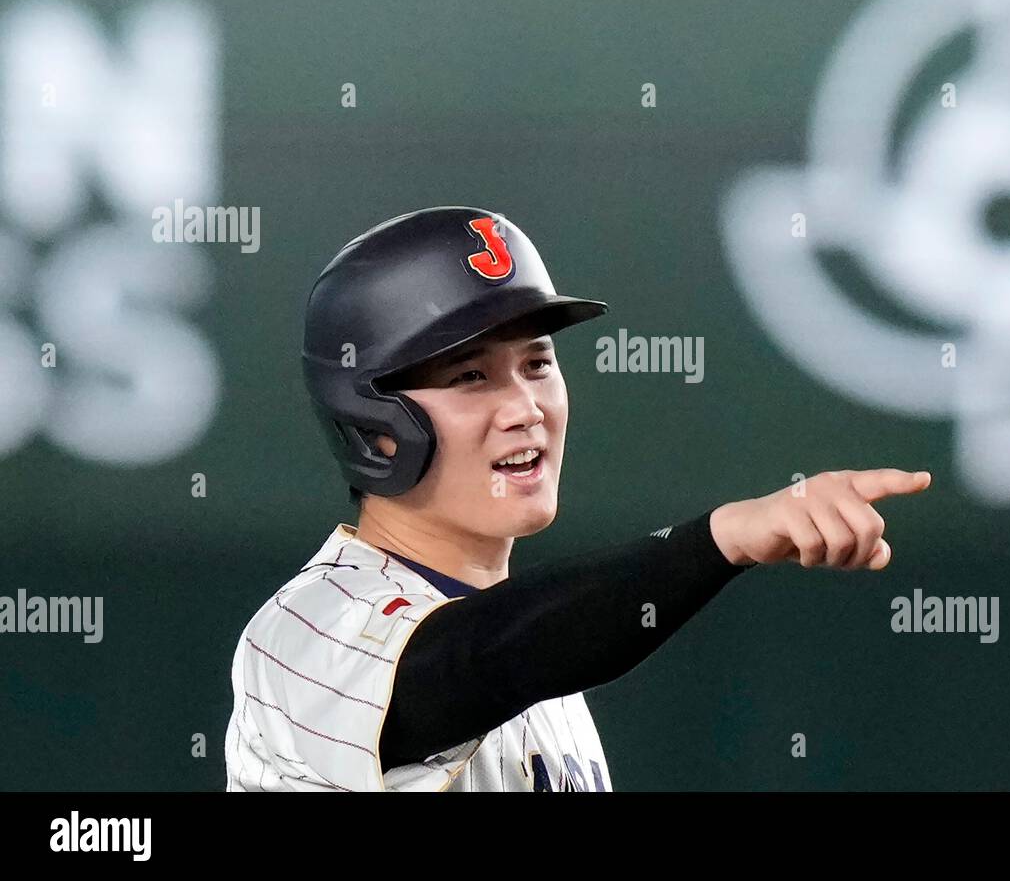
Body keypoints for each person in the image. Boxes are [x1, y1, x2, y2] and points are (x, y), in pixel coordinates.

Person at [223, 206, 931, 791]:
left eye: (537, 364)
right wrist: (721, 540)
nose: (526, 406)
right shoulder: (305, 632)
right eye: (471, 377)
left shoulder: (555, 693)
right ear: (376, 430)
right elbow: (482, 661)